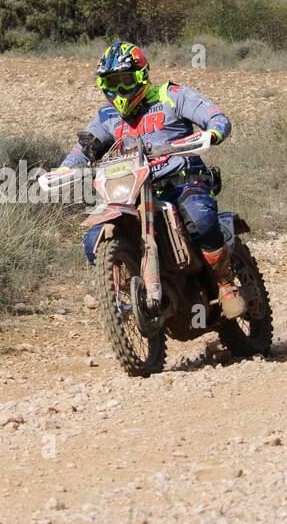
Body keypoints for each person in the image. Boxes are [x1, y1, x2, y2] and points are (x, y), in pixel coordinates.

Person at [60, 42, 245, 318]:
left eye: (125, 81)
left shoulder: (171, 96)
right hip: (131, 192)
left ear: (141, 76)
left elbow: (214, 116)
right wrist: (64, 170)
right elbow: (82, 148)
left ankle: (224, 282)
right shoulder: (107, 116)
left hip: (182, 181)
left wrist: (213, 132)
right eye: (112, 83)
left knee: (200, 218)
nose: (120, 90)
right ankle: (125, 291)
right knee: (92, 240)